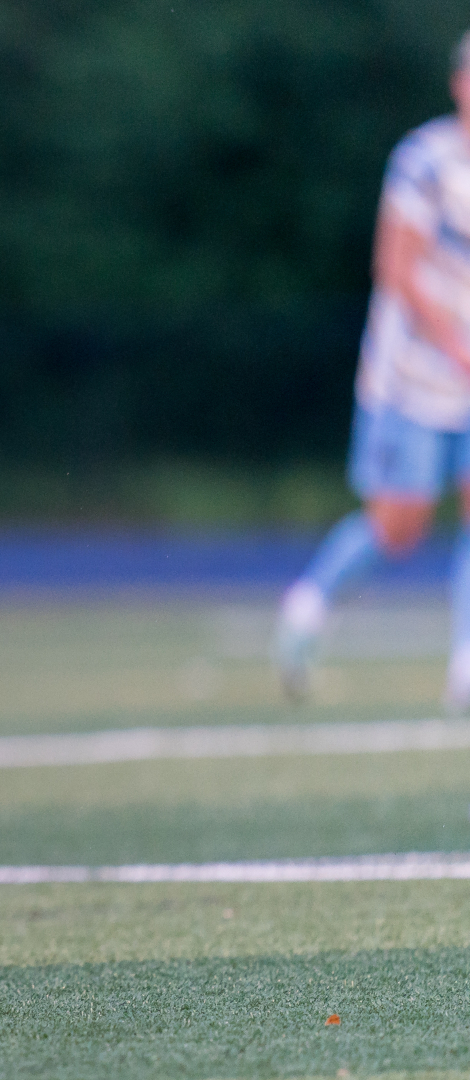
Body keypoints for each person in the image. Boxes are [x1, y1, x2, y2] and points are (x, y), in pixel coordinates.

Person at [275, 31, 470, 710]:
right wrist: (457, 345)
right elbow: (397, 269)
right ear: (459, 85)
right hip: (412, 377)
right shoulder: (423, 162)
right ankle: (307, 605)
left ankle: (466, 665)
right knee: (400, 526)